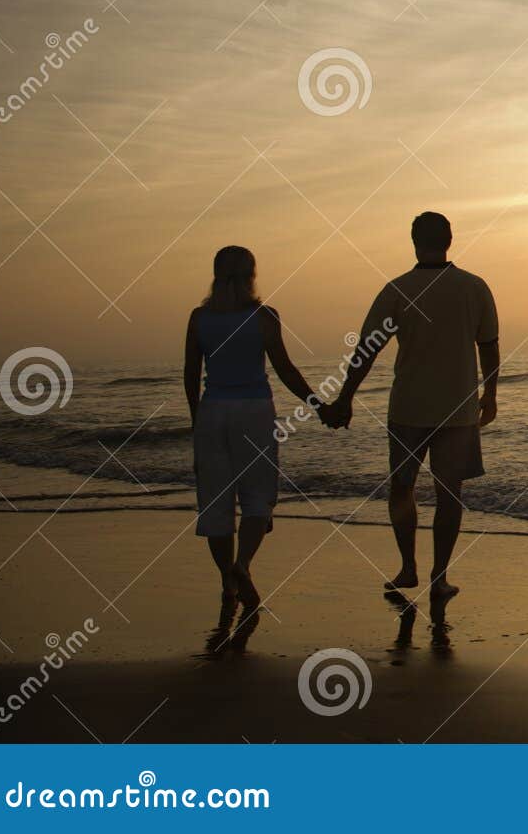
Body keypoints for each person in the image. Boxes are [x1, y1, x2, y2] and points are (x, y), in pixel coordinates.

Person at [321, 212, 499, 603]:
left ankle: (408, 567)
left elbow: (367, 349)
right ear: (450, 238)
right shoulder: (474, 287)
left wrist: (345, 398)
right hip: (458, 408)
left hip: (408, 408)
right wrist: (491, 393)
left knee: (402, 488)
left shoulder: (398, 289)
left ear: (413, 240)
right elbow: (489, 346)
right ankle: (440, 575)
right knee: (449, 493)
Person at [184, 245, 321, 612]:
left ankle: (228, 583)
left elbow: (190, 375)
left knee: (216, 504)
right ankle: (243, 564)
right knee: (258, 497)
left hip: (213, 411)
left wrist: (198, 422)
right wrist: (317, 404)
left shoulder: (199, 318)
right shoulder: (264, 316)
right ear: (251, 276)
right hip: (255, 412)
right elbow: (285, 369)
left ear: (215, 275)